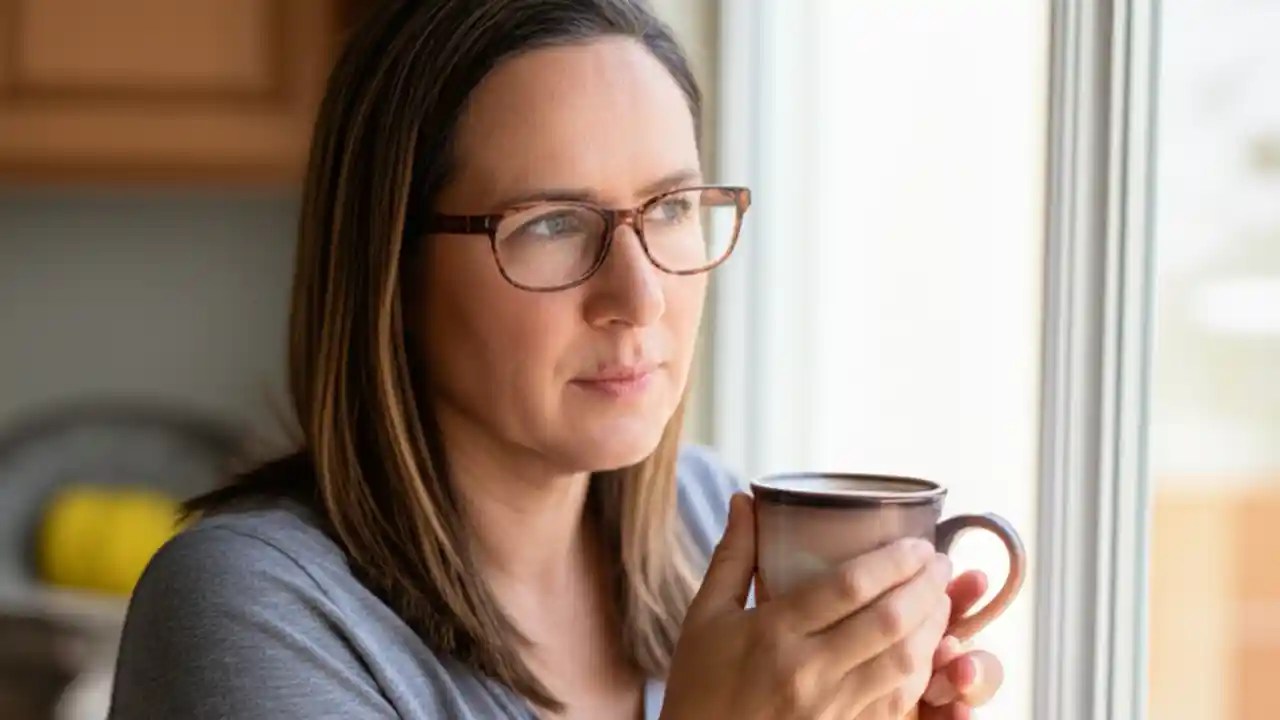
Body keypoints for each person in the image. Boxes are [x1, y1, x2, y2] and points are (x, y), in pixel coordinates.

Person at [108, 1, 1005, 718]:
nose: (641, 295)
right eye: (550, 225)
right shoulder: (246, 610)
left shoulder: (706, 521)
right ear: (392, 271)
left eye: (670, 208)